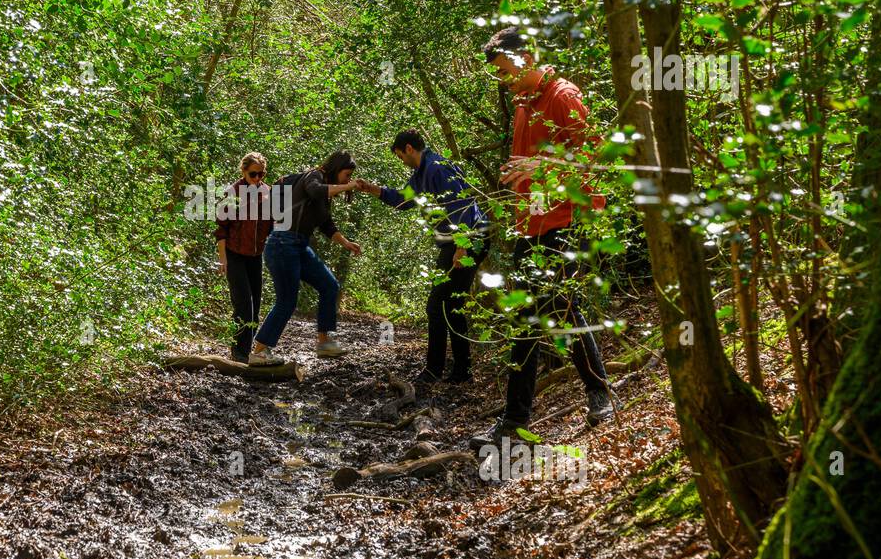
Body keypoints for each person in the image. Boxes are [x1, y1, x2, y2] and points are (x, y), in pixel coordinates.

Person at [471, 28, 616, 450]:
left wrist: (538, 166)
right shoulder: (522, 103)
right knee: (560, 311)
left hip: (566, 220)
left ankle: (516, 420)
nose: (504, 79)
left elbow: (593, 161)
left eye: (505, 70)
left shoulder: (562, 95)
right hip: (532, 223)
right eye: (498, 73)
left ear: (528, 56)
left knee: (534, 317)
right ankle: (596, 392)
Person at [356, 130, 490, 389]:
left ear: (408, 148)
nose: (401, 161)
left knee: (438, 305)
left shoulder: (437, 167)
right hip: (456, 241)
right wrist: (372, 189)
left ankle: (434, 370)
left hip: (468, 239)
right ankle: (461, 371)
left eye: (399, 156)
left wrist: (461, 246)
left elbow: (461, 204)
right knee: (451, 306)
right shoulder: (421, 174)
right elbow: (403, 200)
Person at [248, 151, 363, 365]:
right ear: (336, 170)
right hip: (283, 243)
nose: (348, 180)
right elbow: (315, 190)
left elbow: (326, 225)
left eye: (349, 178)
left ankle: (324, 343)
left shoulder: (324, 196)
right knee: (287, 301)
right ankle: (259, 352)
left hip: (299, 245)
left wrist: (346, 243)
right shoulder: (314, 176)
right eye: (346, 175)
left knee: (330, 286)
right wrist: (349, 186)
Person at [214, 152, 274, 363]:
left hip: (255, 256)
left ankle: (247, 352)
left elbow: (274, 226)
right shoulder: (233, 192)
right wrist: (223, 259)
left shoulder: (268, 193)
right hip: (234, 254)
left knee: (255, 306)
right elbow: (221, 229)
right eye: (253, 174)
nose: (257, 178)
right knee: (243, 305)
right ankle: (238, 352)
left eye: (261, 174)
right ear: (244, 171)